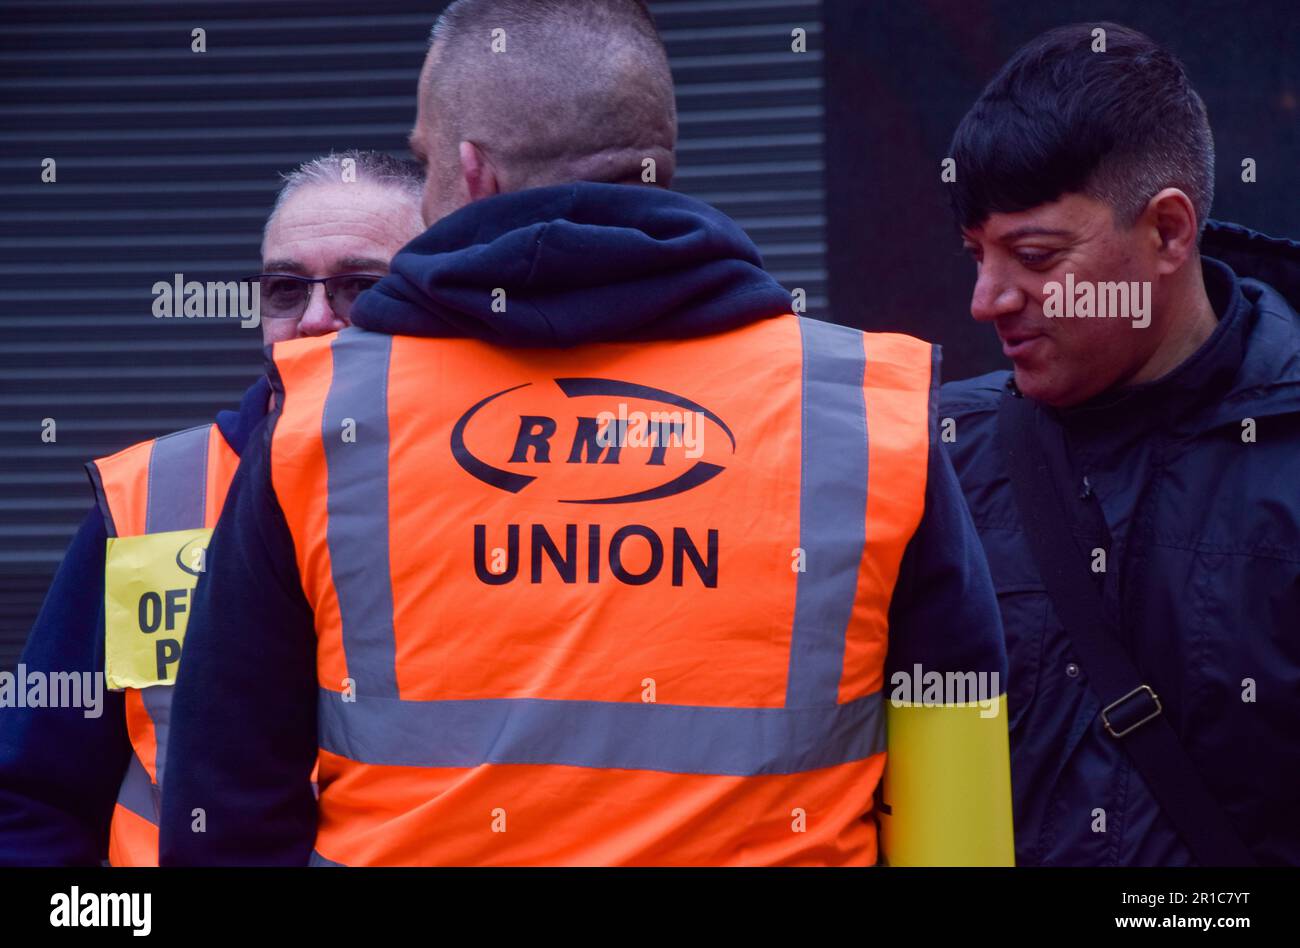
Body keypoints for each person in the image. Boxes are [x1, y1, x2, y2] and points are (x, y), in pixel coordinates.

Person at [161, 0, 1011, 867]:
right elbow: (957, 812)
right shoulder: (862, 410)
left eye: (422, 163)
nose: (422, 194)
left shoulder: (323, 416)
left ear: (472, 172)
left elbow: (226, 805)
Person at [939, 22, 1300, 865]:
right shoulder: (938, 454)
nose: (987, 299)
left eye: (1032, 255)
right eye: (974, 255)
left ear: (1169, 233)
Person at [0, 150, 425, 865]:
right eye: (286, 289)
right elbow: (31, 801)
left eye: (360, 287)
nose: (317, 319)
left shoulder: (496, 487)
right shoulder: (150, 499)